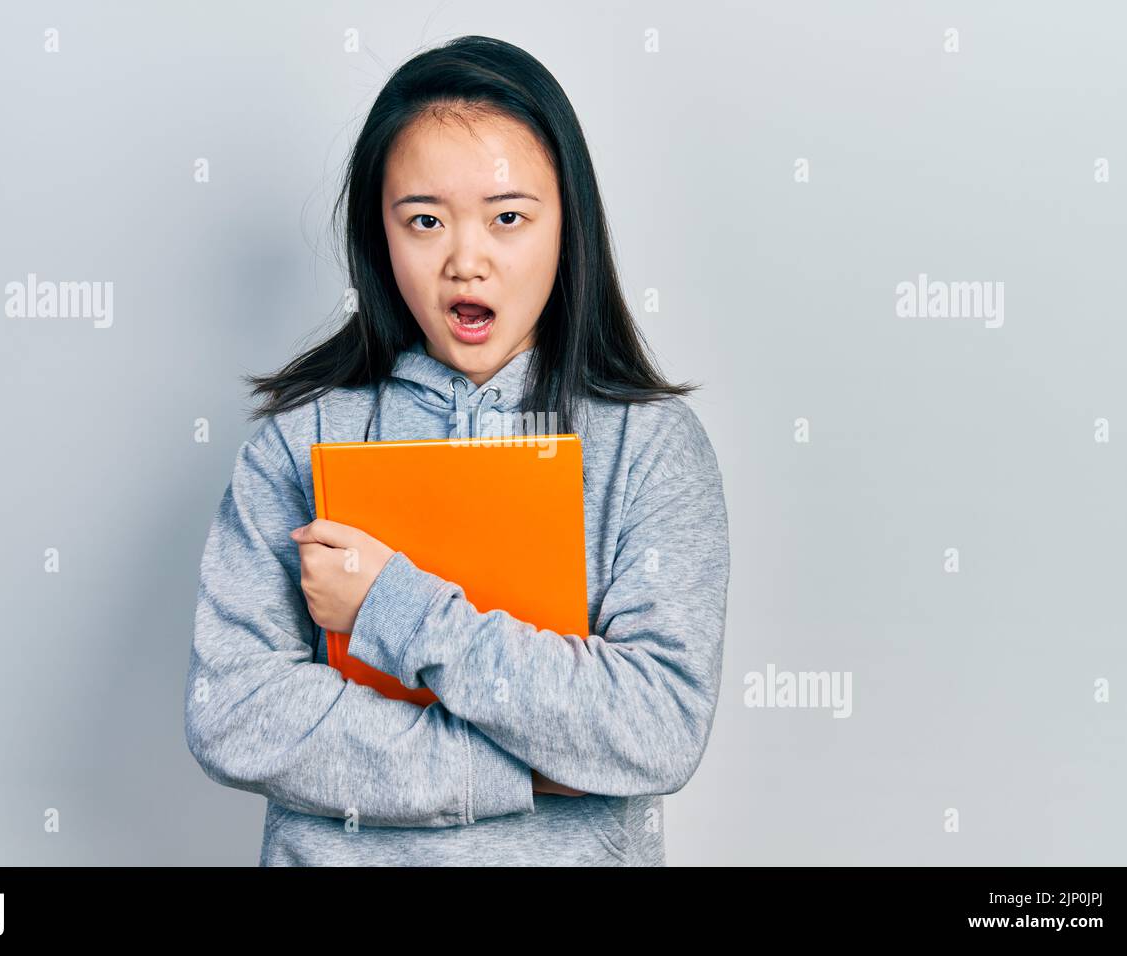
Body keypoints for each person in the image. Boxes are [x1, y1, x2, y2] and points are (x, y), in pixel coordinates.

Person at [184, 35, 731, 866]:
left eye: (508, 217)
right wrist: (529, 767)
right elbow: (235, 712)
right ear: (381, 235)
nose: (464, 261)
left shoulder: (649, 447)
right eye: (425, 221)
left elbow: (656, 729)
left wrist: (389, 606)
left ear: (567, 227)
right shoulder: (302, 440)